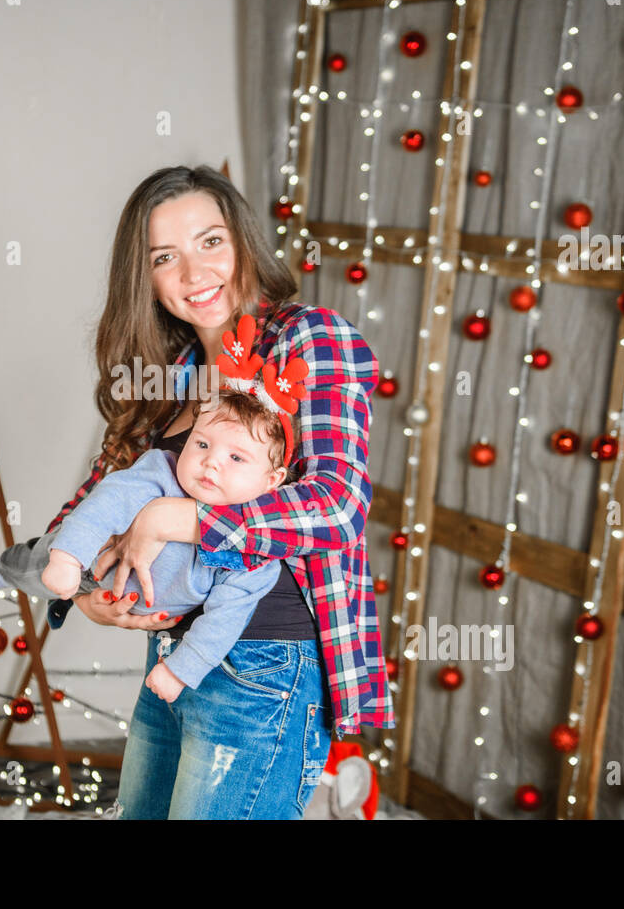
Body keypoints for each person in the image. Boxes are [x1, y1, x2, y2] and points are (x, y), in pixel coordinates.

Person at [43, 164, 395, 819]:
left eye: (210, 242)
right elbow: (91, 502)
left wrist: (182, 518)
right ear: (142, 277)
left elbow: (336, 506)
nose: (193, 274)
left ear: (242, 242)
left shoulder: (311, 339)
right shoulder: (171, 376)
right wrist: (87, 592)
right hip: (178, 653)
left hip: (268, 666)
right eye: (164, 257)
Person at [0, 378, 301, 703]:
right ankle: (0, 571)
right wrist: (68, 557)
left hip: (128, 605)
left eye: (236, 457)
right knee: (31, 567)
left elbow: (224, 620)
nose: (211, 461)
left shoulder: (255, 553)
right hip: (89, 553)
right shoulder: (160, 472)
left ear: (272, 480)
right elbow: (105, 503)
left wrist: (180, 671)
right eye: (202, 444)